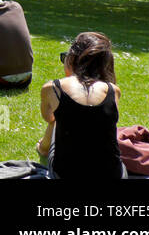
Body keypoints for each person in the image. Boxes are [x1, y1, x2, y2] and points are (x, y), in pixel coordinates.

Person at [37, 32, 125, 179]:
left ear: (71, 58)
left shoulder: (53, 88)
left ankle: (43, 149)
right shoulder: (113, 90)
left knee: (56, 119)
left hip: (66, 173)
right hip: (111, 174)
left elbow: (49, 118)